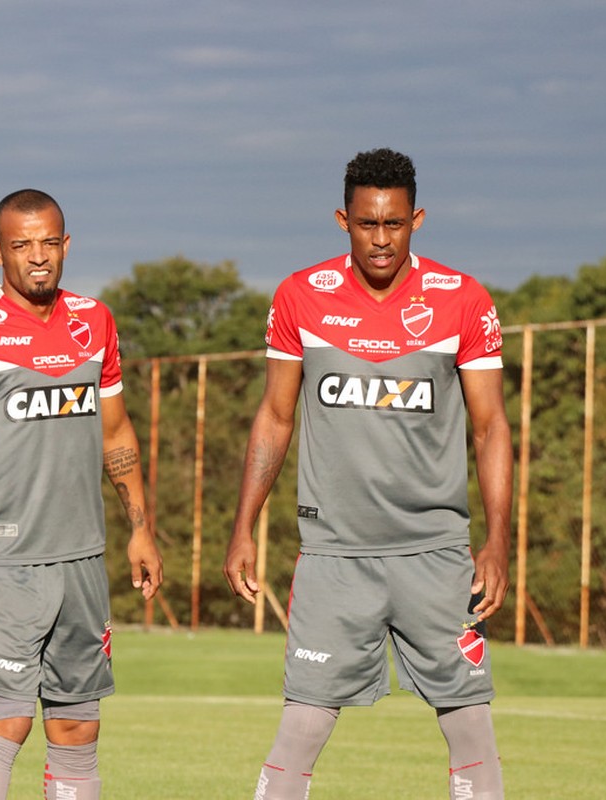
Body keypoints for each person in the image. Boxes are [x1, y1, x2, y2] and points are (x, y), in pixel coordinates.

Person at [224, 148, 513, 800]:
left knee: (470, 724)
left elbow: (492, 427)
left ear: (417, 219)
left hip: (437, 555)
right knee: (302, 723)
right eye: (366, 224)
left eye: (394, 224)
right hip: (334, 554)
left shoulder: (462, 300)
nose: (380, 240)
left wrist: (497, 542)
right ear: (342, 219)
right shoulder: (302, 296)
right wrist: (243, 526)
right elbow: (274, 417)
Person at [0, 188, 163, 800]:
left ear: (66, 245)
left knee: (77, 726)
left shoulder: (96, 321)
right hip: (3, 564)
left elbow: (115, 432)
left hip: (82, 559)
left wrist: (139, 527)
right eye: (22, 244)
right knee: (6, 723)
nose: (38, 257)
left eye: (49, 243)